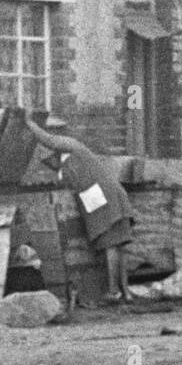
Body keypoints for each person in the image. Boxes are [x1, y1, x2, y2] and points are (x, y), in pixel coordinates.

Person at [23, 115, 135, 303]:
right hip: (108, 198)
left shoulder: (73, 146)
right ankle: (126, 293)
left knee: (112, 245)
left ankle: (114, 292)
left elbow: (47, 139)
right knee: (118, 246)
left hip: (108, 198)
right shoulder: (67, 166)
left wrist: (28, 123)